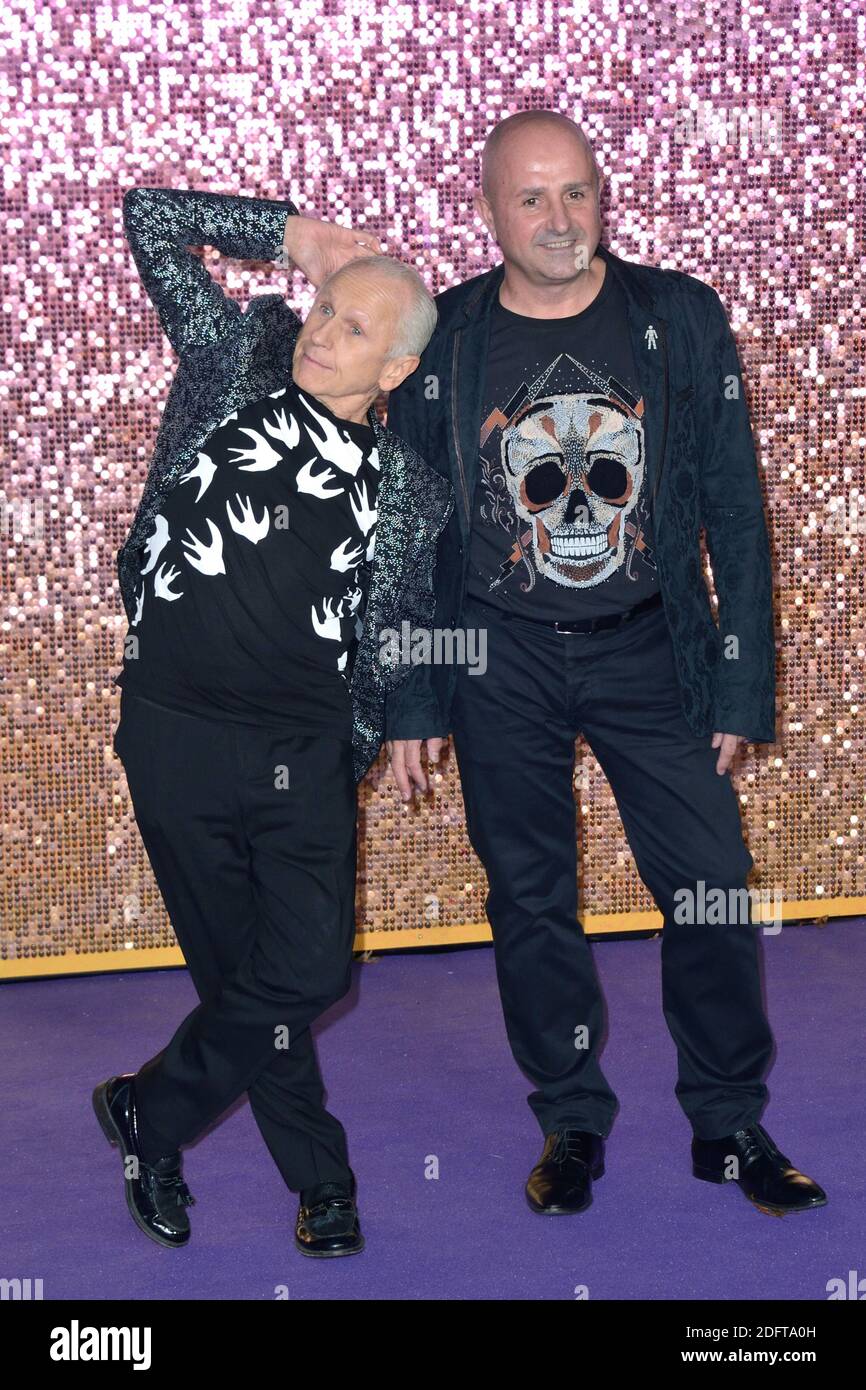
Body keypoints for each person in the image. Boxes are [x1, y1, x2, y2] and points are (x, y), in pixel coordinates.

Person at [384, 111, 826, 1219]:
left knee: (712, 883)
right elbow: (408, 529)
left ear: (600, 197)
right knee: (529, 897)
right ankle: (569, 1117)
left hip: (649, 645)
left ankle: (726, 1124)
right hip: (495, 651)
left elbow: (734, 506)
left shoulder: (676, 319)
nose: (557, 219)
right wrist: (409, 695)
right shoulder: (441, 340)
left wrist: (738, 681)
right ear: (488, 209)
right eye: (531, 198)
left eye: (575, 192)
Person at [94, 185, 453, 1257]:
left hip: (300, 750)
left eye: (353, 327)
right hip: (174, 732)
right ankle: (321, 1178)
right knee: (237, 972)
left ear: (393, 371)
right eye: (322, 306)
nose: (320, 332)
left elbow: (401, 623)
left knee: (303, 972)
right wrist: (291, 237)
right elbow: (148, 218)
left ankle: (148, 1112)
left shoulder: (409, 492)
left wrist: (402, 718)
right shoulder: (230, 367)